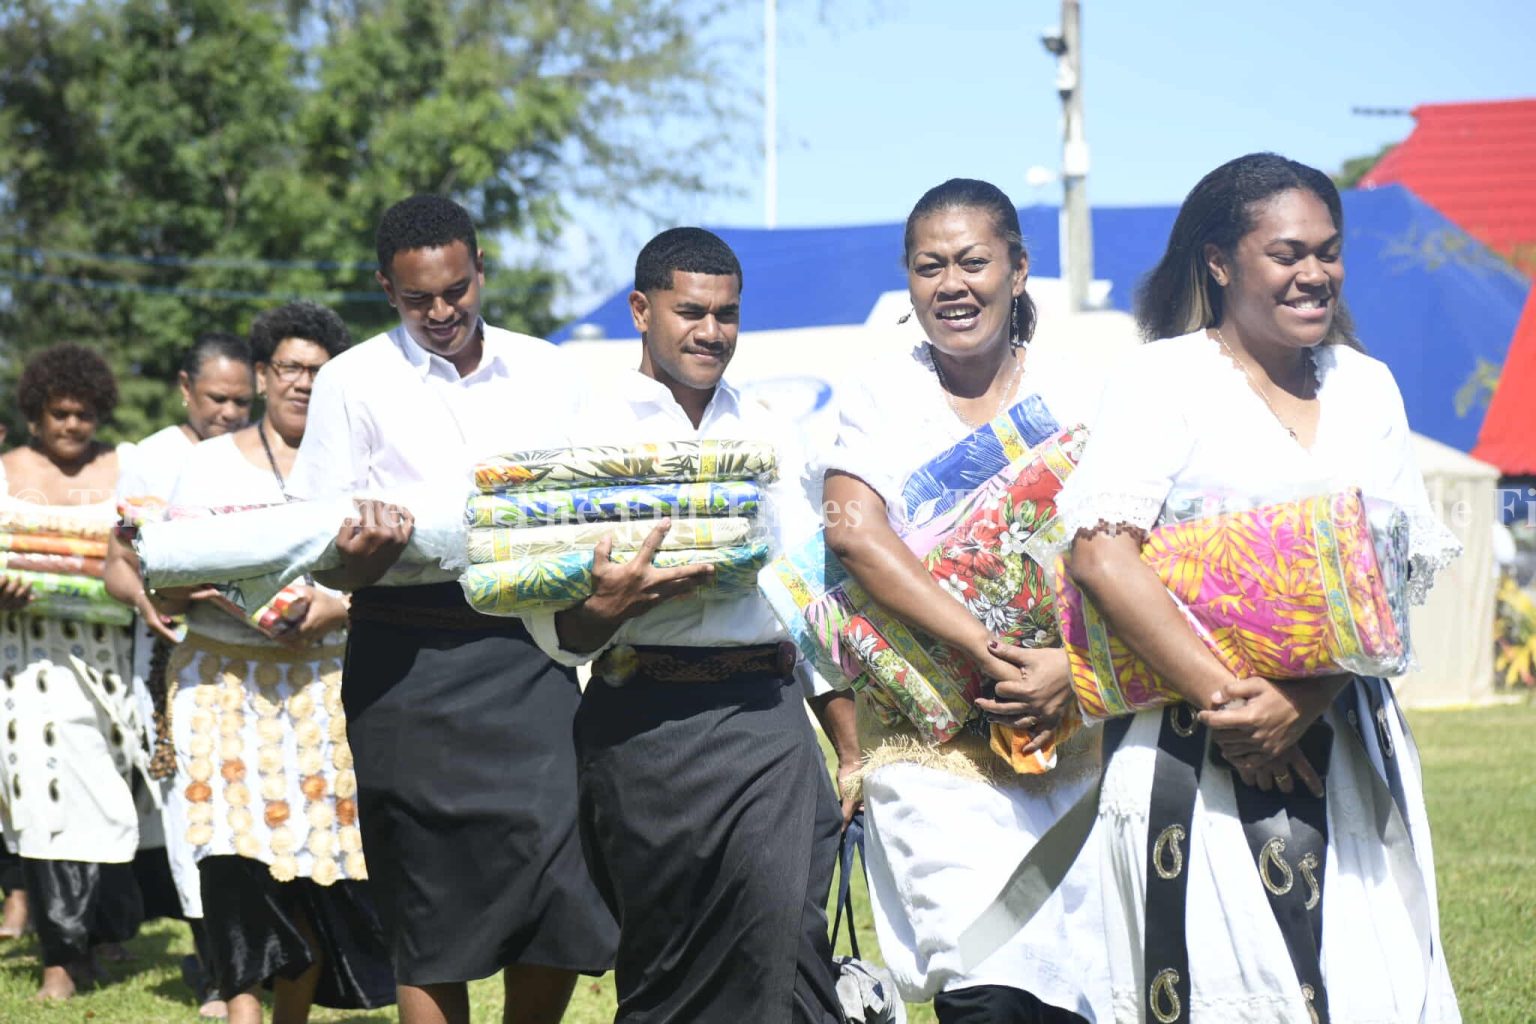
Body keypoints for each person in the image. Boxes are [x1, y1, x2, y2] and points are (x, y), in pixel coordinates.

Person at [1054, 153, 1462, 1022]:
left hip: (1343, 736)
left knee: (1369, 985)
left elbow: (1393, 573)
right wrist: (1239, 709)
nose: (1314, 273)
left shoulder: (1369, 386)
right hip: (1186, 751)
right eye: (1286, 253)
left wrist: (1305, 701)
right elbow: (1101, 558)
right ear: (1219, 261)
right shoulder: (1162, 378)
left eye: (1328, 250)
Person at [286, 194, 616, 1024]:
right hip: (406, 664)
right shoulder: (350, 380)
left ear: (480, 271)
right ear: (384, 290)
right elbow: (315, 538)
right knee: (429, 901)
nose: (440, 313)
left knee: (557, 881)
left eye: (456, 291)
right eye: (416, 300)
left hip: (532, 651)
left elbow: (595, 500)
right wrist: (356, 561)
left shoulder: (549, 369)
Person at [519, 227, 847, 1024]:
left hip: (764, 721)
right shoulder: (583, 429)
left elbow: (806, 592)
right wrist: (612, 605)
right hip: (641, 724)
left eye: (727, 315)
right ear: (641, 309)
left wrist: (852, 744)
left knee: (785, 935)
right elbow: (554, 622)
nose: (711, 333)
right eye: (691, 312)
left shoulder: (767, 427)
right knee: (667, 964)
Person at [820, 179, 1107, 1024]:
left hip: (1074, 741)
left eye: (974, 261)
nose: (953, 284)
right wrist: (986, 649)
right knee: (979, 975)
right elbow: (854, 533)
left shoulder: (1084, 390)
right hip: (933, 750)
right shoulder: (881, 393)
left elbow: (1137, 549)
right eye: (929, 266)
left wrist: (1073, 671)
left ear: (1019, 270)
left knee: (1081, 986)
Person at [148, 302, 395, 1024]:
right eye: (290, 368)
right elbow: (165, 570)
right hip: (221, 682)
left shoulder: (361, 467)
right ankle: (241, 1010)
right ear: (262, 375)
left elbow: (395, 565)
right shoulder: (208, 464)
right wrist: (238, 600)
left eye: (320, 372)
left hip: (325, 683)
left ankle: (290, 1014)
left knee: (316, 860)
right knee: (233, 858)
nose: (304, 384)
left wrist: (339, 607)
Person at [105, 329, 257, 1020]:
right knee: (188, 809)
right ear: (184, 388)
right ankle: (216, 971)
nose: (229, 413)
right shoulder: (152, 460)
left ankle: (260, 965)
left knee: (250, 811)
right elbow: (122, 565)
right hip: (171, 658)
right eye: (217, 399)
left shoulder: (266, 454)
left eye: (240, 401)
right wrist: (155, 600)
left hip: (260, 658)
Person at [0, 343, 147, 1000]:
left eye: (84, 415)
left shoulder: (126, 467)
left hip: (109, 668)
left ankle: (93, 938)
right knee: (40, 796)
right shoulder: (4, 474)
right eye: (59, 414)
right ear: (35, 414)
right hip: (23, 666)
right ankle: (61, 956)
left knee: (107, 804)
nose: (72, 427)